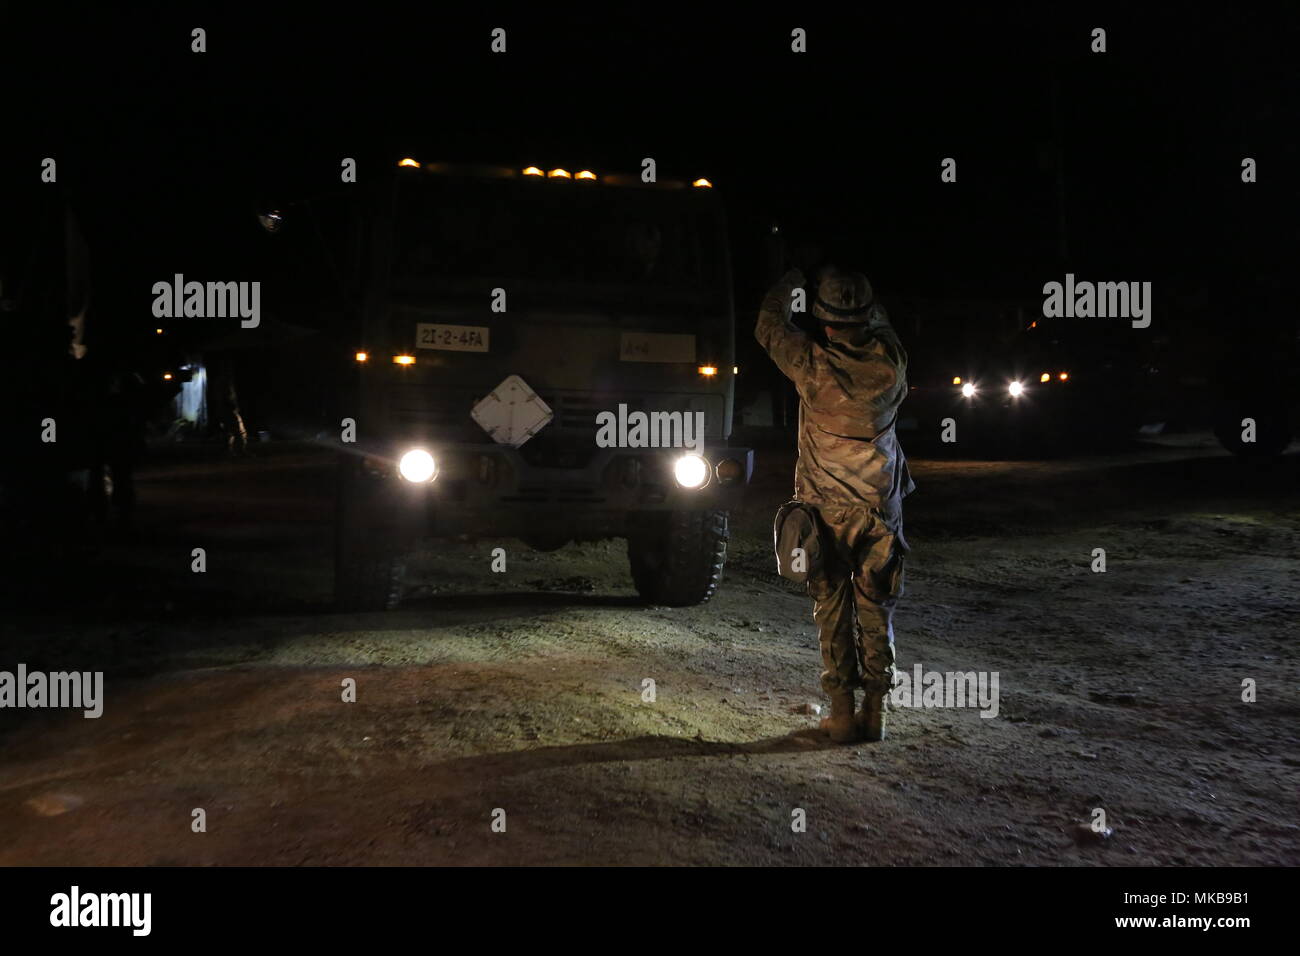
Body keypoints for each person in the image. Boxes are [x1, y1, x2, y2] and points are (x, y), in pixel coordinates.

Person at [755, 265, 915, 743]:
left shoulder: (810, 362)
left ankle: (841, 713)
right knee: (876, 610)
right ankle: (875, 712)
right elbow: (879, 322)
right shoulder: (892, 360)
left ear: (822, 322)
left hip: (824, 510)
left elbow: (768, 324)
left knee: (831, 609)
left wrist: (792, 279)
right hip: (878, 509)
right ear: (868, 317)